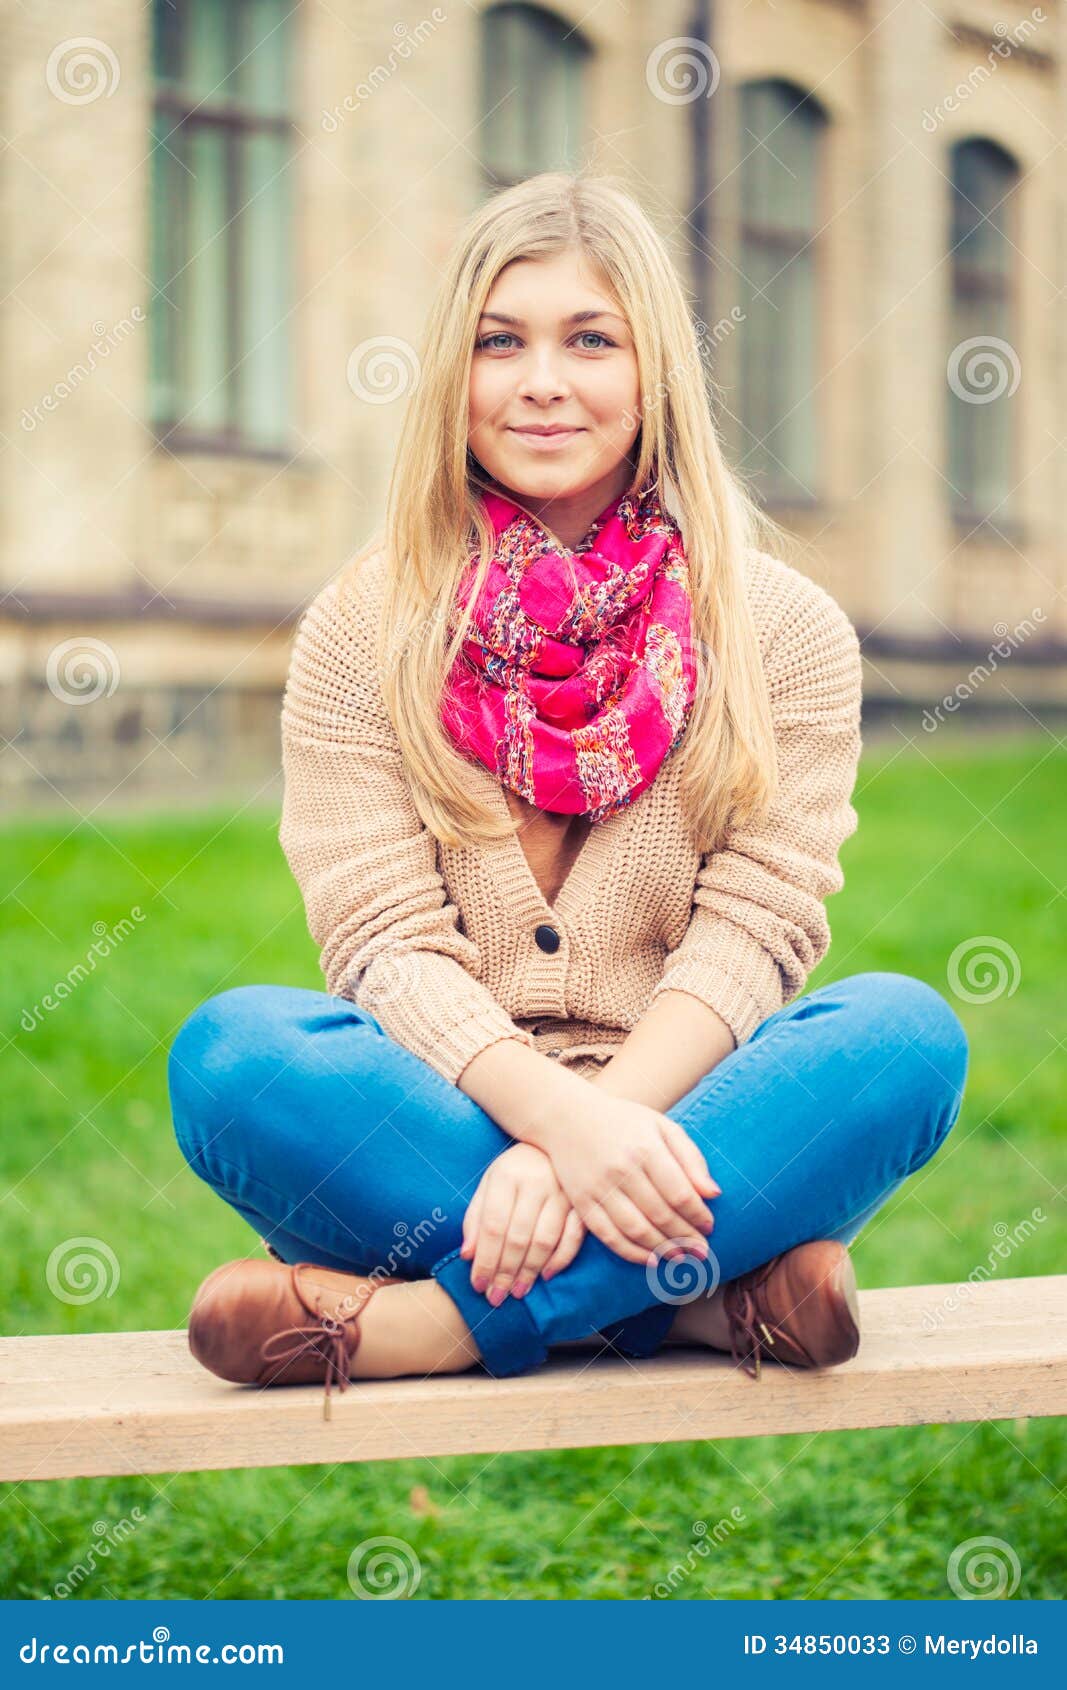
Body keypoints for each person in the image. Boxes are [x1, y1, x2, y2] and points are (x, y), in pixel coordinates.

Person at [168, 172, 969, 1418]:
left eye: (590, 340)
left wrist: (592, 1136)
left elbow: (754, 933)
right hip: (444, 1116)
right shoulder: (362, 628)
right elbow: (380, 943)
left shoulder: (785, 631)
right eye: (500, 342)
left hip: (692, 1117)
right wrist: (555, 1124)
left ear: (655, 374)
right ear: (454, 372)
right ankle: (693, 1298)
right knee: (233, 1058)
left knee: (902, 1037)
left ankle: (434, 1323)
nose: (540, 381)